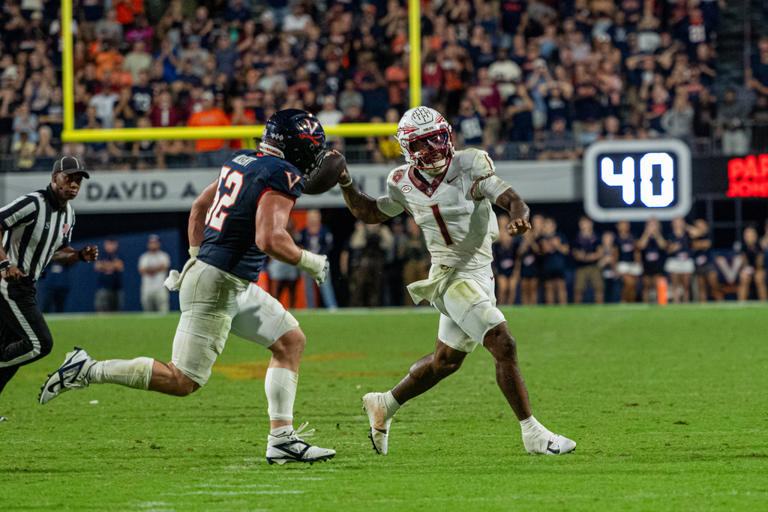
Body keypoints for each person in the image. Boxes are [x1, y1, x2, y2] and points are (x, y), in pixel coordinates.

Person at [39, 110, 336, 465]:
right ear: (298, 146)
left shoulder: (242, 160)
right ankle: (87, 369)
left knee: (290, 341)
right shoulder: (281, 173)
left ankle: (282, 439)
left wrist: (197, 255)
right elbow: (270, 238)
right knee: (182, 380)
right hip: (218, 284)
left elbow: (198, 209)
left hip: (227, 280)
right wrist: (310, 261)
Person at [338, 106, 575, 456]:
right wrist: (345, 182)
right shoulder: (401, 181)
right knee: (502, 342)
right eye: (423, 142)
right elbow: (372, 211)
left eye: (437, 137)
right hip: (451, 276)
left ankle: (385, 403)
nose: (434, 147)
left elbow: (509, 197)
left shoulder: (470, 164)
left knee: (445, 362)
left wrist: (520, 216)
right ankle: (532, 433)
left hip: (481, 272)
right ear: (407, 148)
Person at [0, 156, 98, 401]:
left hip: (27, 285)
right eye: (69, 178)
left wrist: (78, 255)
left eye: (78, 180)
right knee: (39, 344)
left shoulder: (69, 215)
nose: (74, 184)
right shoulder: (33, 203)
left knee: (14, 347)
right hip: (8, 284)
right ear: (55, 178)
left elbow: (57, 251)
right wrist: (5, 263)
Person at [297, 210, 337, 309]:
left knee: (326, 285)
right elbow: (297, 241)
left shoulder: (324, 230)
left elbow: (329, 245)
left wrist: (319, 257)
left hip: (321, 262)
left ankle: (331, 306)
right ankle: (310, 307)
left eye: (314, 217)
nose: (312, 220)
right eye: (310, 218)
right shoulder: (304, 231)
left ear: (319, 218)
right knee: (308, 287)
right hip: (308, 262)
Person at [572, 216, 604, 304]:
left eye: (586, 223)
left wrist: (587, 257)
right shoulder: (577, 238)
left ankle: (600, 309)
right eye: (583, 223)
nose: (584, 225)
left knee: (598, 288)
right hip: (581, 267)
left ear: (591, 224)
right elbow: (575, 253)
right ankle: (577, 310)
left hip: (594, 267)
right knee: (578, 290)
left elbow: (599, 252)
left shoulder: (596, 237)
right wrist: (582, 256)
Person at [689, 219, 723, 302]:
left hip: (709, 263)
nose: (699, 228)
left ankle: (721, 303)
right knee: (701, 287)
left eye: (701, 226)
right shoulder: (691, 237)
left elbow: (707, 244)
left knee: (714, 285)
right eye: (697, 226)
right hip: (698, 264)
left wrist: (698, 240)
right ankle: (703, 306)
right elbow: (693, 246)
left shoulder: (709, 235)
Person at [538, 218, 569, 305]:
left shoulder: (561, 236)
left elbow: (566, 250)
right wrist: (552, 244)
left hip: (559, 266)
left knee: (561, 287)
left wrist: (558, 245)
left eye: (550, 226)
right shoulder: (542, 238)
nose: (548, 228)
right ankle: (550, 309)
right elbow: (544, 249)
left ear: (554, 227)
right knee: (549, 288)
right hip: (548, 267)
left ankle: (563, 308)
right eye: (546, 226)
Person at [664, 217, 695, 303]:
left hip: (686, 260)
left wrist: (687, 227)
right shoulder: (670, 235)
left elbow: (699, 232)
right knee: (675, 284)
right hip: (674, 260)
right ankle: (676, 301)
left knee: (686, 284)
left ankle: (685, 302)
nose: (678, 224)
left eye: (680, 222)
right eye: (676, 222)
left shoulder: (688, 234)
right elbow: (667, 249)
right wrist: (673, 248)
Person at [138, 234, 171, 313]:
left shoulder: (164, 256)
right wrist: (157, 268)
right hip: (147, 289)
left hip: (160, 288)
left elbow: (164, 267)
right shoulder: (144, 257)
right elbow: (142, 270)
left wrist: (149, 269)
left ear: (158, 244)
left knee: (163, 312)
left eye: (155, 243)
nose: (153, 245)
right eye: (151, 243)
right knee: (148, 313)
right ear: (148, 244)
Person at [492, 213, 520, 305]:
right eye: (501, 221)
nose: (503, 223)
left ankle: (510, 306)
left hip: (512, 264)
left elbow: (517, 249)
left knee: (512, 288)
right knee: (502, 288)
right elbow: (490, 241)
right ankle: (501, 305)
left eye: (504, 221)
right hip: (500, 265)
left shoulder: (512, 232)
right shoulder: (495, 232)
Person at [638, 218, 667, 303]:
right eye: (650, 225)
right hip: (646, 264)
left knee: (657, 284)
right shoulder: (643, 235)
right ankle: (645, 303)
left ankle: (659, 302)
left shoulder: (661, 235)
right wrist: (647, 234)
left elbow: (663, 245)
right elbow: (640, 246)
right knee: (646, 285)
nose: (652, 227)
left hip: (658, 264)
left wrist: (657, 234)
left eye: (654, 225)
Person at [93, 238, 124, 312]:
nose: (110, 246)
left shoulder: (118, 254)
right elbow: (97, 266)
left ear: (116, 245)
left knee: (115, 311)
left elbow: (120, 266)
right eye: (108, 244)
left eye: (112, 244)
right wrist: (113, 265)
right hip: (103, 287)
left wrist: (104, 265)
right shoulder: (101, 255)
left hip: (116, 287)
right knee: (101, 308)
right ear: (105, 244)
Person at [615, 221, 642, 303]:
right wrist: (614, 267)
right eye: (622, 225)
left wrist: (638, 263)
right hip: (622, 264)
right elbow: (614, 254)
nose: (624, 227)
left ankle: (631, 303)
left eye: (625, 225)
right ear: (618, 227)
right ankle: (623, 300)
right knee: (629, 282)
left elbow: (637, 251)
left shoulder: (633, 237)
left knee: (633, 285)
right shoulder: (617, 239)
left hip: (633, 264)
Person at [738, 226, 767, 301]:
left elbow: (759, 265)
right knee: (744, 277)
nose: (750, 237)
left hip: (758, 268)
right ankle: (741, 304)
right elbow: (744, 264)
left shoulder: (759, 246)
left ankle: (764, 303)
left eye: (752, 235)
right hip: (747, 268)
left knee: (759, 278)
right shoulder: (742, 247)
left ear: (755, 236)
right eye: (747, 235)